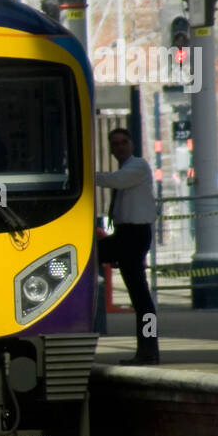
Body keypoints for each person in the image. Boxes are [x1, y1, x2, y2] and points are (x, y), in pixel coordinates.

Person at [95, 128, 159, 365]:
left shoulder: (138, 167)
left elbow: (116, 181)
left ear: (131, 145)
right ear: (111, 149)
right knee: (139, 295)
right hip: (125, 234)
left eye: (124, 142)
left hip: (134, 234)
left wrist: (82, 175)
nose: (120, 147)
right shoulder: (126, 169)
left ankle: (149, 349)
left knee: (141, 296)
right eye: (115, 144)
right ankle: (148, 349)